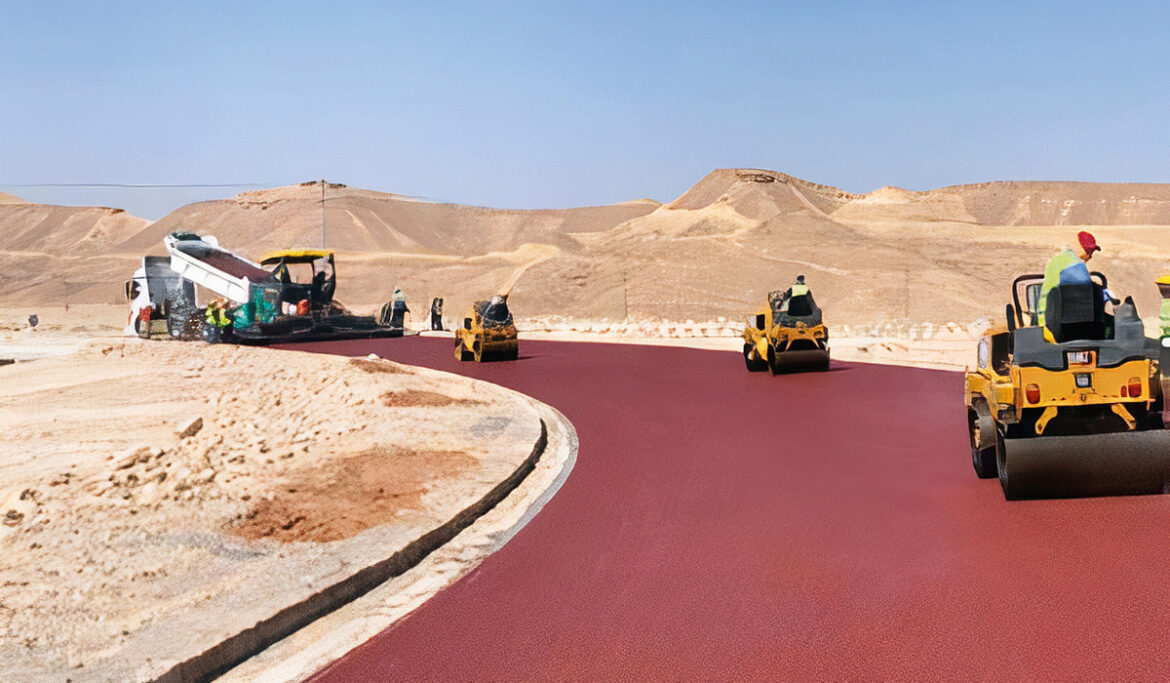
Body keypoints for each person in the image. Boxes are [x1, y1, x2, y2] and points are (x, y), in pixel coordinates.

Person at [1038, 231, 1115, 326]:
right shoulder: (1075, 264)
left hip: (1047, 322)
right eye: (1089, 252)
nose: (1090, 257)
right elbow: (1088, 294)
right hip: (1065, 326)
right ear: (1081, 249)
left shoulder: (1057, 259)